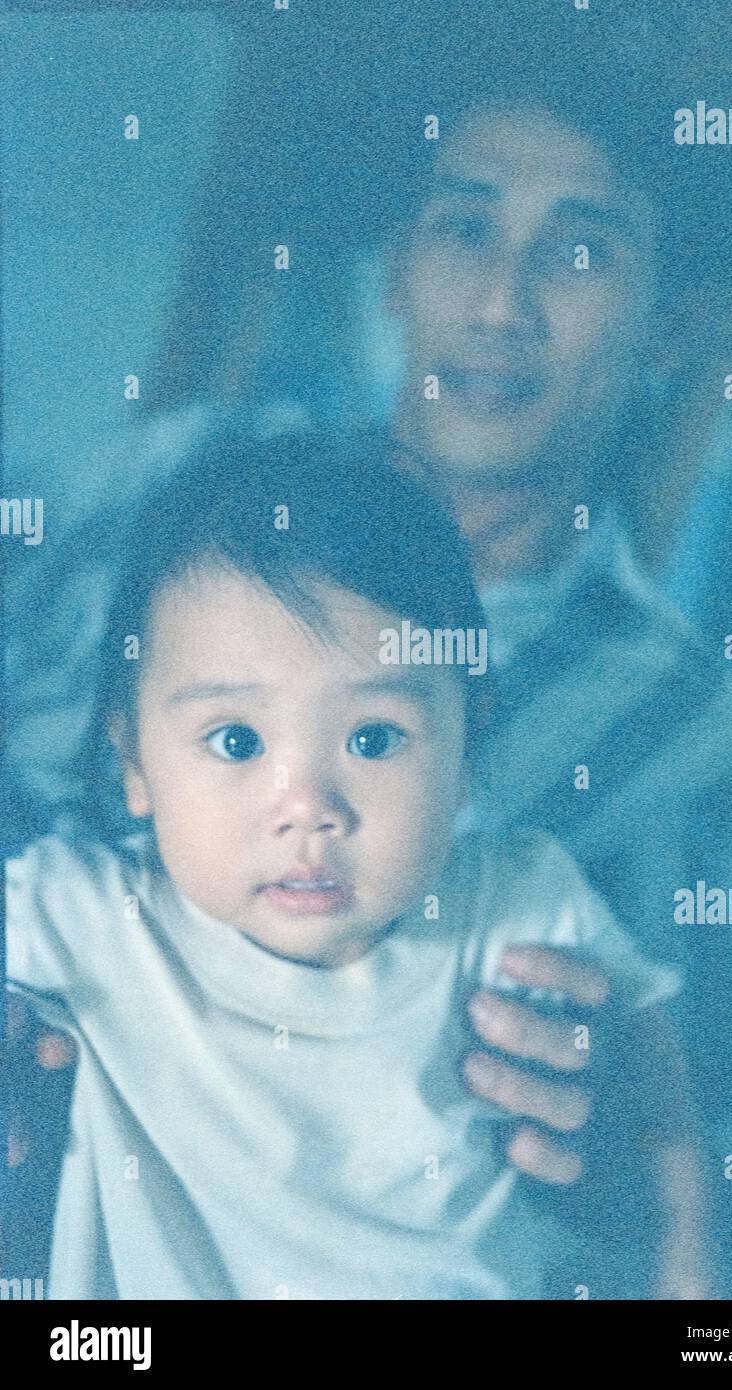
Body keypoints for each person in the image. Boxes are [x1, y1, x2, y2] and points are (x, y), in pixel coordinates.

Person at [6, 432, 687, 1299]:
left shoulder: (509, 907)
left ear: (466, 743)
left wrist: (692, 1285)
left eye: (374, 739)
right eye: (236, 740)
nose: (307, 806)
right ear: (134, 760)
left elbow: (652, 1064)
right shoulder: (85, 921)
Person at [377, 96, 732, 1294]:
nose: (499, 304)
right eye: (463, 229)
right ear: (396, 270)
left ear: (669, 326)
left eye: (576, 251)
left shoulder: (701, 735)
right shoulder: (168, 491)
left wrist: (628, 1148)